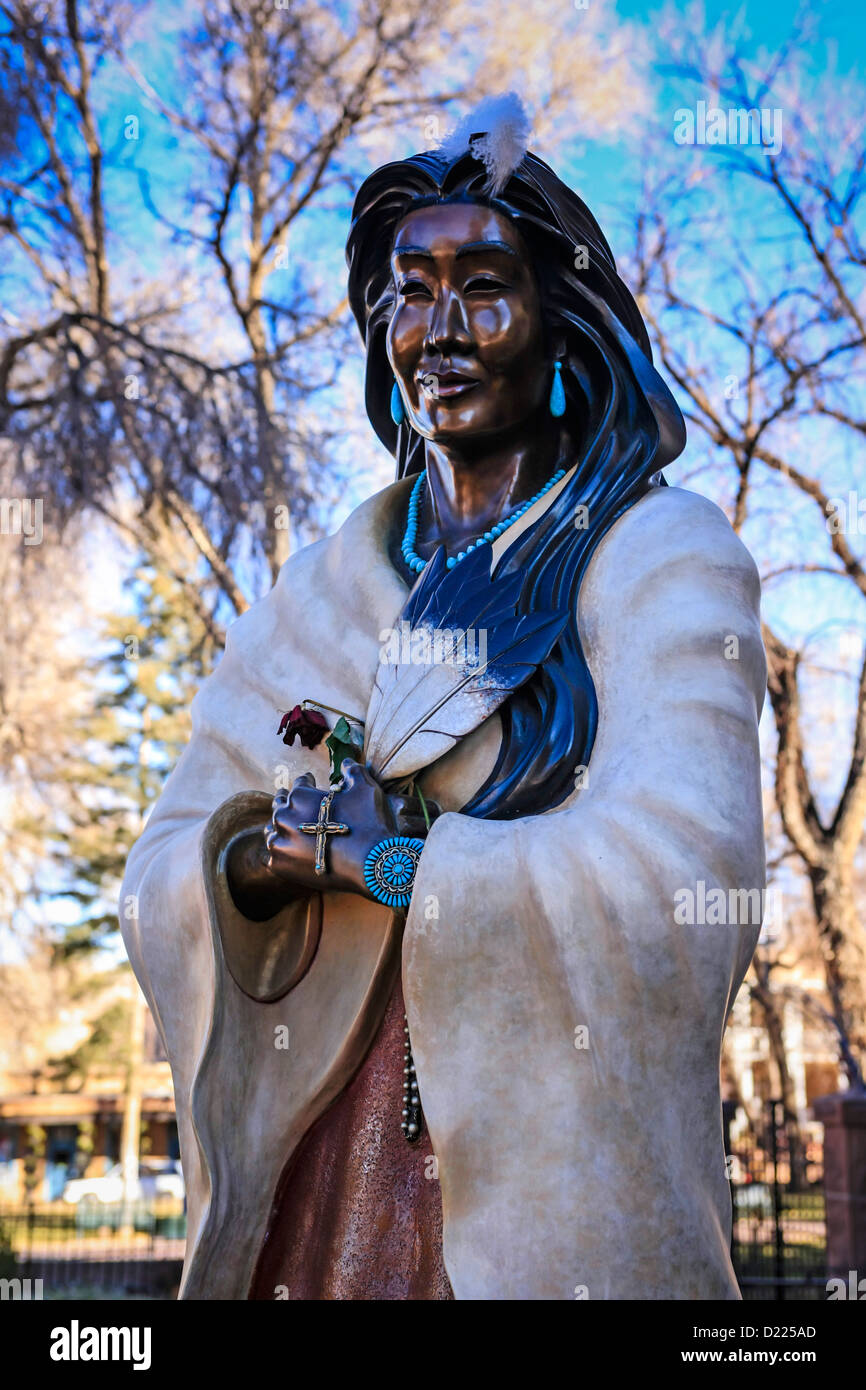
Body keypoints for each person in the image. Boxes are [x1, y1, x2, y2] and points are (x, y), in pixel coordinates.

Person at [120, 95, 766, 1300]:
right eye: (410, 290)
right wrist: (262, 857)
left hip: (543, 1184)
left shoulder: (658, 562)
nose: (440, 330)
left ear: (560, 323)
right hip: (325, 1187)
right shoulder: (319, 591)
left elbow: (685, 876)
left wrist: (408, 871)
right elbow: (160, 866)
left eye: (484, 286)